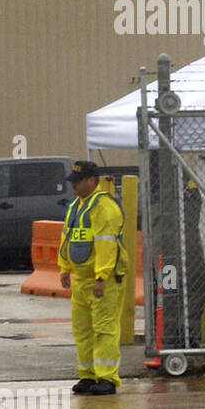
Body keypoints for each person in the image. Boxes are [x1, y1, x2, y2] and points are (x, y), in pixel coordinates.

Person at [58, 160, 130, 395]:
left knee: (104, 329)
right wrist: (65, 268)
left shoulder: (104, 207)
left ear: (92, 180)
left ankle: (107, 378)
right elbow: (67, 238)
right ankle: (88, 375)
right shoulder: (77, 206)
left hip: (103, 280)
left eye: (78, 182)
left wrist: (101, 277)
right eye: (73, 182)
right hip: (80, 278)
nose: (74, 186)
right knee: (83, 330)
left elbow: (107, 245)